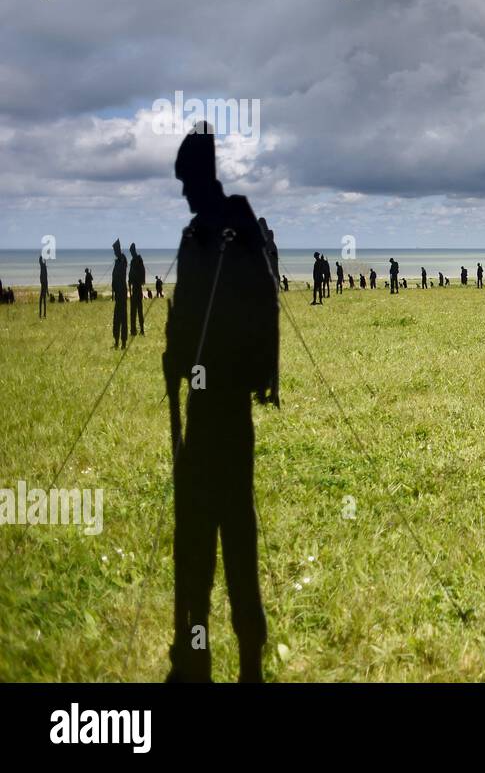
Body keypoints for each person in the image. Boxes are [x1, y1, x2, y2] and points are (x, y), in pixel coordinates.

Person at [163, 123, 277, 682]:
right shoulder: (200, 234)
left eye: (187, 181)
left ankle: (247, 648)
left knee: (230, 523)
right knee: (199, 524)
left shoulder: (235, 226)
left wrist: (265, 371)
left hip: (226, 403)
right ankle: (196, 640)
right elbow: (185, 307)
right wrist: (172, 356)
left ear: (203, 177)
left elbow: (263, 299)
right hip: (203, 399)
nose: (184, 193)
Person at [111, 239, 128, 349]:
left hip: (122, 293)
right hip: (117, 294)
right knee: (116, 318)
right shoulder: (117, 261)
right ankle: (116, 341)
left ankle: (123, 342)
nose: (115, 252)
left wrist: (120, 256)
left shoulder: (123, 260)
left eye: (116, 250)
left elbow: (122, 269)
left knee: (123, 318)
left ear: (119, 249)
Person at [128, 242, 146, 336]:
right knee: (133, 311)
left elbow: (142, 271)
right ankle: (133, 330)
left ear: (134, 250)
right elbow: (130, 273)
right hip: (134, 289)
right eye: (130, 251)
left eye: (132, 251)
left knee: (139, 310)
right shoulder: (132, 261)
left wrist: (139, 281)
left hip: (138, 288)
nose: (131, 253)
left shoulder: (139, 259)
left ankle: (142, 329)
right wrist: (129, 281)